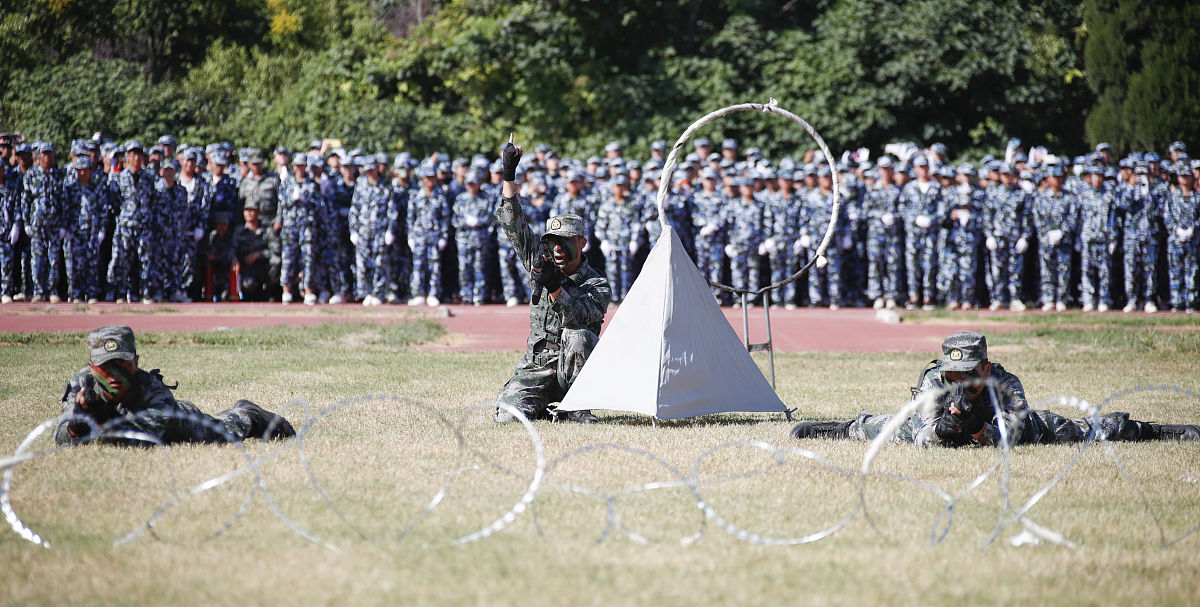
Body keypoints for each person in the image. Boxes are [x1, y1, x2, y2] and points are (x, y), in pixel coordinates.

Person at [790, 330, 1200, 447]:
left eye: (969, 373)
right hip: (937, 428)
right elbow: (922, 438)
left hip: (1014, 430)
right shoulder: (934, 380)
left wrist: (974, 429)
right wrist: (945, 430)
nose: (959, 381)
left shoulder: (1004, 382)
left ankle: (1158, 431)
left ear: (985, 366)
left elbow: (1012, 433)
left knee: (1091, 428)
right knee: (882, 426)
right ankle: (839, 426)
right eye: (955, 374)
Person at [493, 135, 611, 424]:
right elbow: (513, 223)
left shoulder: (597, 285)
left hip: (573, 371)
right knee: (507, 418)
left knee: (579, 335)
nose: (557, 248)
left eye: (564, 241)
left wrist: (555, 287)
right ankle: (542, 406)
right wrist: (509, 173)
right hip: (537, 366)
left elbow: (576, 319)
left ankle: (576, 406)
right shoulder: (540, 261)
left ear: (582, 243)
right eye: (552, 241)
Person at [54, 325, 294, 447]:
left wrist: (102, 419)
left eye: (122, 365)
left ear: (136, 363)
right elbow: (61, 438)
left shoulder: (154, 391)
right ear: (92, 367)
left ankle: (249, 412)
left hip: (182, 423)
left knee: (228, 430)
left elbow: (144, 441)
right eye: (107, 367)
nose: (114, 375)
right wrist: (76, 426)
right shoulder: (82, 385)